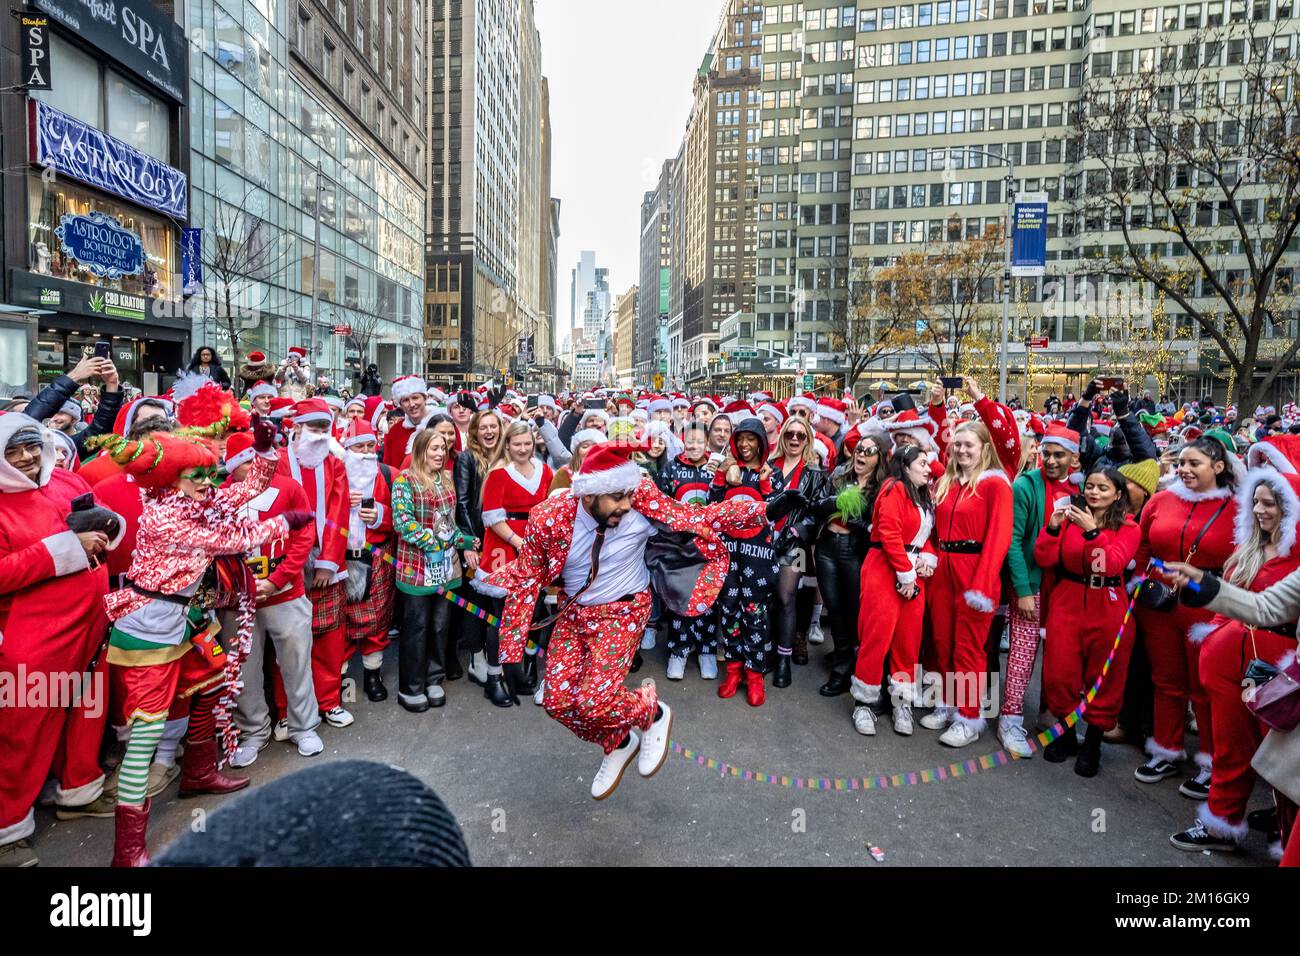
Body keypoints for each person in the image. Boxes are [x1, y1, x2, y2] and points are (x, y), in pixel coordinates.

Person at [479, 440, 770, 799]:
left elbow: (698, 517)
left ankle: (654, 712)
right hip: (575, 614)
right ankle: (616, 742)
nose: (626, 505)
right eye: (617, 498)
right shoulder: (549, 518)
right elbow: (526, 579)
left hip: (625, 610)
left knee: (593, 700)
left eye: (628, 495)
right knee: (556, 701)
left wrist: (764, 511)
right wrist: (510, 653)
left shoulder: (642, 501)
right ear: (590, 495)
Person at [100, 419, 308, 866]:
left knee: (211, 685)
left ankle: (198, 772)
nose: (208, 482)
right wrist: (283, 523)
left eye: (207, 472)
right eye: (197, 474)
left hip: (185, 618)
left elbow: (238, 493)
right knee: (146, 734)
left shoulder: (190, 499)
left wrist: (265, 452)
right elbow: (229, 538)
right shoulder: (165, 515)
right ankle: (128, 851)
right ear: (171, 477)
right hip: (148, 630)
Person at [0, 414, 123, 868]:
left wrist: (107, 532)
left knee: (86, 718)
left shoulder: (66, 479)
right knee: (22, 733)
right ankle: (7, 828)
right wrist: (67, 548)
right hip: (35, 636)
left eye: (32, 446)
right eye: (14, 451)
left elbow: (105, 526)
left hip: (90, 627)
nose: (28, 457)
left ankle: (78, 791)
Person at [1165, 457, 1299, 853]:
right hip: (1232, 664)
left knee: (1280, 755)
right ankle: (1222, 823)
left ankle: (1286, 836)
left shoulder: (1296, 560)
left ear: (1291, 509)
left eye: (1270, 503)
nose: (1260, 510)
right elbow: (1234, 603)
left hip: (1279, 671)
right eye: (1256, 502)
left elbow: (1270, 609)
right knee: (1229, 747)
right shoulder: (1247, 549)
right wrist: (1214, 643)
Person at [1132, 436, 1239, 795]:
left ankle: (1211, 761)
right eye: (1182, 463)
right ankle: (1167, 749)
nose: (1184, 469)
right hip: (1159, 602)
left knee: (1206, 686)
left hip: (1207, 604)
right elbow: (1143, 544)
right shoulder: (1161, 500)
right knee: (1166, 680)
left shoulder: (1238, 508)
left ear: (1218, 467)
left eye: (1195, 463)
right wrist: (1139, 581)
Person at [217, 430, 323, 769]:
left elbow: (304, 535)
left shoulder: (289, 488)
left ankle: (303, 725)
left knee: (295, 662)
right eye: (245, 463)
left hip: (285, 594)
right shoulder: (220, 497)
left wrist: (277, 580)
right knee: (244, 668)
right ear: (232, 467)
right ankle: (253, 731)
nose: (253, 468)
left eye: (256, 460)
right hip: (237, 601)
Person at [1035, 467, 1140, 776]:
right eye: (1091, 486)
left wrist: (1093, 532)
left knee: (1104, 677)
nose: (1094, 493)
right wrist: (1053, 528)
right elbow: (1045, 559)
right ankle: (1067, 735)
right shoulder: (1069, 519)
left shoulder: (1128, 527)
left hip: (1107, 604)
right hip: (1068, 600)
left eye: (1103, 488)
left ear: (1118, 495)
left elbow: (1110, 565)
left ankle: (1093, 741)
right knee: (1058, 673)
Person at [921, 418, 1015, 747]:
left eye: (969, 445)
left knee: (969, 649)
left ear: (984, 449)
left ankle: (969, 716)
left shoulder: (995, 484)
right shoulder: (945, 481)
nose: (962, 450)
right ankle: (946, 703)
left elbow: (999, 537)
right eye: (957, 444)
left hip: (975, 571)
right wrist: (930, 555)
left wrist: (984, 583)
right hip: (942, 570)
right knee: (942, 642)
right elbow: (931, 529)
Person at [999, 424, 1082, 756]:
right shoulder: (1025, 486)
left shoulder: (1083, 489)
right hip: (1032, 583)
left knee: (1062, 657)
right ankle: (1010, 718)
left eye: (1058, 455)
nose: (1049, 460)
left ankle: (1051, 714)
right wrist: (1021, 589)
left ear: (1073, 459)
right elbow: (1013, 542)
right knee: (1022, 654)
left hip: (1067, 588)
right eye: (1045, 453)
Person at [850, 443, 937, 736]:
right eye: (922, 463)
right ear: (906, 464)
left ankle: (902, 702)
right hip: (885, 571)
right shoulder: (894, 489)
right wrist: (907, 574)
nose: (928, 469)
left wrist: (926, 559)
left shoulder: (921, 494)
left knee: (908, 640)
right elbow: (889, 533)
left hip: (911, 574)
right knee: (877, 637)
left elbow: (923, 535)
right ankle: (864, 702)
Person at [277, 399, 354, 729]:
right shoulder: (279, 462)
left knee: (329, 636)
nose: (321, 435)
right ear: (297, 428)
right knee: (286, 641)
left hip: (325, 562)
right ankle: (286, 710)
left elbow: (339, 514)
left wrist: (328, 562)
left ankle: (329, 700)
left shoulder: (334, 465)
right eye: (314, 428)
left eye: (325, 428)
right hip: (286, 564)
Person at [476, 421, 553, 703]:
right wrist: (520, 543)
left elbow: (549, 507)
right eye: (516, 444)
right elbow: (493, 517)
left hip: (536, 547)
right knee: (502, 619)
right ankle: (494, 677)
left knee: (535, 614)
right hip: (504, 549)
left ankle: (527, 664)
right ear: (507, 445)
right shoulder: (498, 473)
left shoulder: (544, 470)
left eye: (527, 444)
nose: (522, 449)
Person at [393, 430, 466, 712]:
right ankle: (411, 686)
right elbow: (402, 520)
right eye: (433, 448)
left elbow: (450, 521)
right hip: (416, 567)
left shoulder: (446, 480)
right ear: (421, 450)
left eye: (443, 449)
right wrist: (432, 539)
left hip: (445, 568)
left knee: (439, 624)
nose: (439, 453)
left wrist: (462, 539)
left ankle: (434, 678)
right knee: (417, 626)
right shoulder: (405, 480)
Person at [812, 432, 889, 697]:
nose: (861, 455)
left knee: (857, 612)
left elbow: (877, 525)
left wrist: (857, 519)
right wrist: (834, 503)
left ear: (879, 458)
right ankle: (841, 670)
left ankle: (858, 667)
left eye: (869, 451)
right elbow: (817, 506)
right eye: (858, 449)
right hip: (826, 548)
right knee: (834, 611)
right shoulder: (839, 476)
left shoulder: (882, 487)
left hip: (855, 552)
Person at [710, 417, 781, 706]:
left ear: (761, 442)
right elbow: (712, 509)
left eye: (751, 439)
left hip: (758, 559)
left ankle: (754, 676)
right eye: (741, 438)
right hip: (729, 557)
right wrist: (718, 478)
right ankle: (733, 670)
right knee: (729, 614)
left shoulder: (771, 473)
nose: (745, 444)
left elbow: (777, 512)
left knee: (755, 617)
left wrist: (766, 485)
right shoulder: (727, 471)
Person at [656, 421, 721, 680]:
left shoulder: (715, 468)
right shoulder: (671, 468)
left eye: (699, 440)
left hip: (709, 546)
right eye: (689, 440)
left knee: (707, 598)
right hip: (679, 545)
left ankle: (706, 650)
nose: (694, 445)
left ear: (707, 443)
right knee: (679, 599)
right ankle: (678, 651)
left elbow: (723, 503)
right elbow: (661, 504)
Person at [340, 420, 396, 702]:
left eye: (369, 445)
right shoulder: (334, 475)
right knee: (342, 624)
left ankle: (373, 674)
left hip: (377, 556)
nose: (364, 451)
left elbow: (401, 514)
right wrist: (339, 504)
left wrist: (381, 515)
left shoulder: (388, 473)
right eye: (358, 446)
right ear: (346, 448)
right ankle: (341, 677)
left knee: (376, 621)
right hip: (341, 559)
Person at [769, 416, 827, 688]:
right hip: (766, 541)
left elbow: (820, 510)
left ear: (807, 440)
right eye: (790, 434)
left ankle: (784, 659)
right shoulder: (769, 467)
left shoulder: (815, 473)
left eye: (800, 436)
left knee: (786, 595)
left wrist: (800, 530)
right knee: (767, 595)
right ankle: (769, 649)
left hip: (795, 545)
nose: (794, 439)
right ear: (782, 437)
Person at [455, 409, 505, 696]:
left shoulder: (504, 458)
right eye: (482, 427)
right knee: (475, 603)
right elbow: (462, 503)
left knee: (495, 604)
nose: (488, 432)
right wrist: (470, 543)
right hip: (477, 543)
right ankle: (476, 657)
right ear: (474, 432)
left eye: (493, 427)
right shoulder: (466, 459)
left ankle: (492, 655)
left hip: (500, 542)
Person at [24, 354, 125, 462]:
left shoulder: (66, 445)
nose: (61, 457)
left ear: (74, 419)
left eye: (62, 452)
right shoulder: (27, 442)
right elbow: (27, 421)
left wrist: (112, 385)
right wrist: (74, 376)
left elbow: (99, 432)